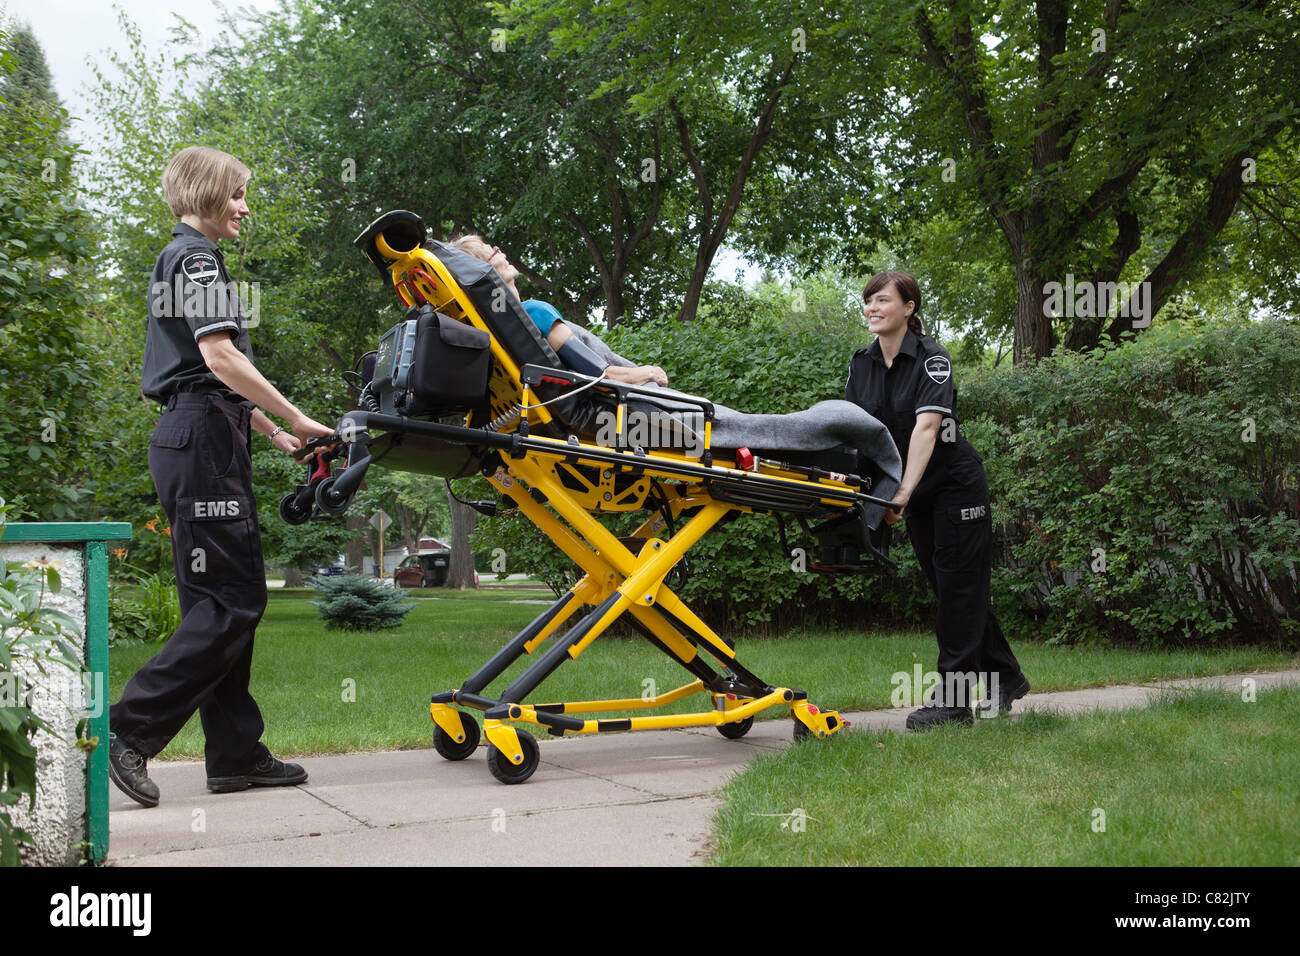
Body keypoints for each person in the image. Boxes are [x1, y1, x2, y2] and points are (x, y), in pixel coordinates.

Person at [108, 146, 336, 807]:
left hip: (200, 434)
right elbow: (219, 355)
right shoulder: (198, 258)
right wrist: (296, 413)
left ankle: (235, 754)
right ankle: (127, 732)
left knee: (218, 600)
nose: (243, 207)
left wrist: (272, 432)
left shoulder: (178, 258)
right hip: (203, 441)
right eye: (235, 194)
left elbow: (204, 372)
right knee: (234, 600)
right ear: (206, 193)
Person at [845, 271, 1029, 729]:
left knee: (958, 592)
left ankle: (952, 703)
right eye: (868, 301)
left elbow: (927, 429)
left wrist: (902, 492)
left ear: (909, 308)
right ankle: (1005, 676)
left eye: (882, 300)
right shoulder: (860, 365)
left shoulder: (932, 361)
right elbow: (859, 435)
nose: (872, 307)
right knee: (952, 591)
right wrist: (863, 491)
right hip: (915, 493)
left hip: (953, 486)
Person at [447, 234, 668, 387]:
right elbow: (601, 371)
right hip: (638, 397)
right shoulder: (533, 313)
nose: (501, 252)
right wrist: (642, 373)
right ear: (487, 271)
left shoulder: (498, 332)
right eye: (491, 251)